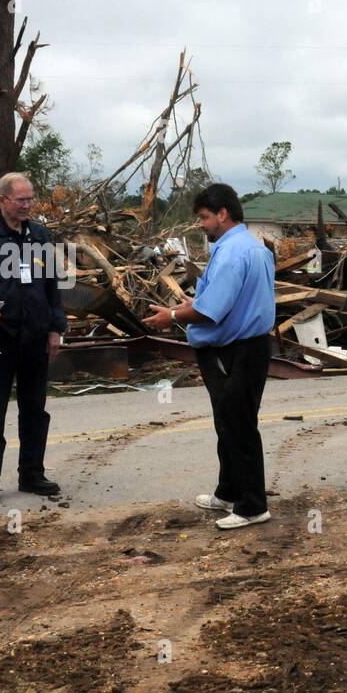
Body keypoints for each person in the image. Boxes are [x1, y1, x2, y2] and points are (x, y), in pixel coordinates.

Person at [142, 183, 276, 530]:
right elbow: (227, 300)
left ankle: (252, 506)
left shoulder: (232, 253)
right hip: (248, 345)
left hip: (235, 350)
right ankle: (229, 491)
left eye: (204, 218)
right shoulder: (254, 248)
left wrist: (171, 317)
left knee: (239, 426)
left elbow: (212, 310)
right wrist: (187, 307)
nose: (201, 225)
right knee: (228, 423)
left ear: (223, 214)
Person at [0, 172, 68, 506]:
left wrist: (56, 329)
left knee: (35, 411)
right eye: (21, 199)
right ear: (2, 201)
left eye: (30, 199)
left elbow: (53, 287)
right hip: (0, 339)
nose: (27, 205)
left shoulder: (40, 236)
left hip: (36, 339)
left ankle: (31, 474)